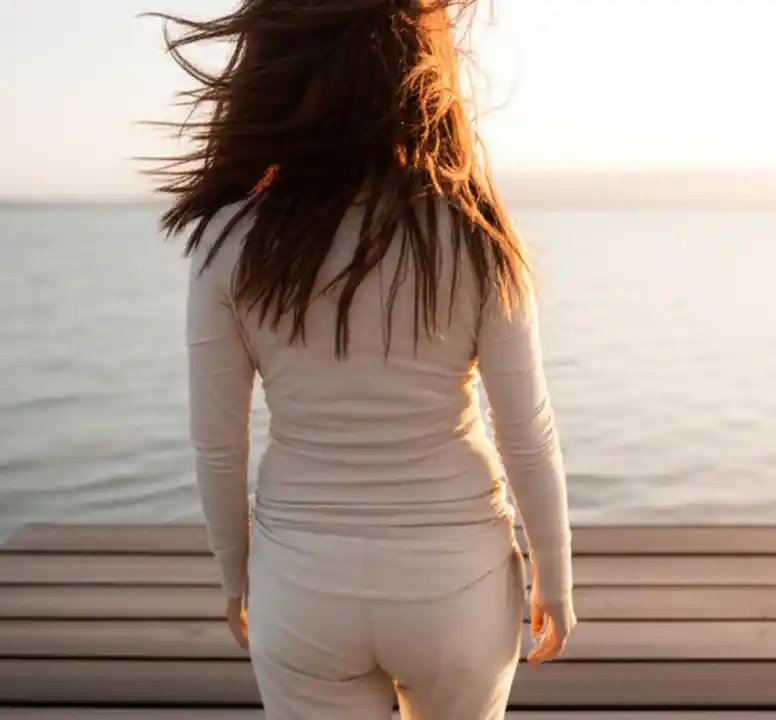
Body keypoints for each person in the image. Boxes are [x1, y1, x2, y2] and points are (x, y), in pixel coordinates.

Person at [146, 1, 576, 717]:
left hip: (303, 589)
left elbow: (217, 446)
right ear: (421, 71)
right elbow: (528, 435)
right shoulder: (472, 234)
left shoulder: (227, 241)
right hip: (457, 587)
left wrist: (234, 577)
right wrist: (554, 579)